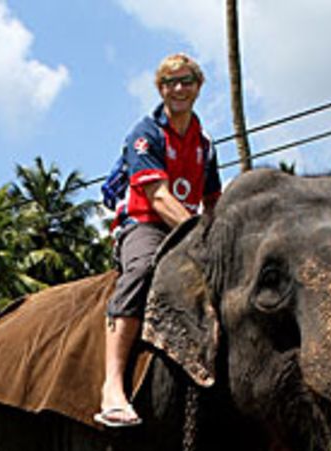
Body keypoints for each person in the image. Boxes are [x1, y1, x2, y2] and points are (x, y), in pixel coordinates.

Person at [98, 52, 222, 428]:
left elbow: (213, 201)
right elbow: (158, 197)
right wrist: (198, 233)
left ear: (198, 87)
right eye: (171, 83)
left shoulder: (205, 145)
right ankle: (113, 387)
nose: (179, 89)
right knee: (142, 270)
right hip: (146, 224)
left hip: (188, 228)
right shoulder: (146, 133)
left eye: (186, 81)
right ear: (160, 89)